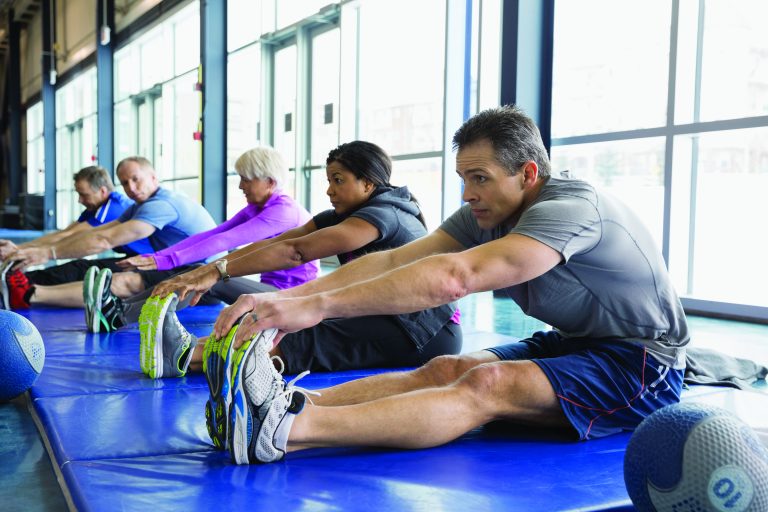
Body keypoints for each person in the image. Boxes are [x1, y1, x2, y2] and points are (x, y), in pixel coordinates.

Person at [206, 105, 689, 465]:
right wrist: (288, 300)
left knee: (487, 382)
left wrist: (321, 306)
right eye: (462, 178)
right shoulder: (489, 209)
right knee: (444, 368)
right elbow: (394, 260)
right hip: (581, 344)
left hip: (643, 363)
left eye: (479, 178)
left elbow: (458, 276)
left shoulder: (570, 211)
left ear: (528, 173)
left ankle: (284, 431)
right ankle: (274, 407)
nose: (467, 194)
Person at [141, 141, 461, 450]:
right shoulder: (345, 213)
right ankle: (188, 350)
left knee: (305, 337)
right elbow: (277, 242)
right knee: (276, 322)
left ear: (368, 183)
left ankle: (185, 357)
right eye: (328, 180)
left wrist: (215, 273)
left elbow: (295, 251)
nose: (329, 190)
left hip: (422, 330)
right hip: (379, 311)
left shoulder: (384, 215)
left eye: (338, 180)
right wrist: (215, 267)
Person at [79, 146, 318, 332]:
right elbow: (213, 234)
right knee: (199, 271)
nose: (240, 186)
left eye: (246, 179)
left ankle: (118, 316)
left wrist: (165, 262)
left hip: (291, 298)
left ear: (270, 182)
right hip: (273, 290)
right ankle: (119, 309)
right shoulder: (259, 206)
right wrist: (159, 257)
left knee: (211, 277)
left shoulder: (282, 211)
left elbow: (225, 241)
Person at [0, 156, 218, 310]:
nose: (130, 187)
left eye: (135, 179)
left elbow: (102, 240)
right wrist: (32, 250)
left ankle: (28, 293)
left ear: (153, 177)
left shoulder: (160, 205)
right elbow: (80, 234)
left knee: (119, 281)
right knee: (89, 268)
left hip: (201, 276)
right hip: (166, 263)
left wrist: (43, 253)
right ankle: (13, 285)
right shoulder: (138, 205)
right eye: (124, 183)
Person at [0, 165, 151, 310]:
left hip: (146, 263)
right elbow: (63, 234)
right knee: (79, 267)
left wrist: (22, 250)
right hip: (133, 258)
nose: (80, 200)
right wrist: (21, 249)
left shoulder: (112, 208)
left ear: (102, 191)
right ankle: (15, 285)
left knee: (78, 269)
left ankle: (19, 289)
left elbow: (74, 236)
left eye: (84, 195)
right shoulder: (97, 207)